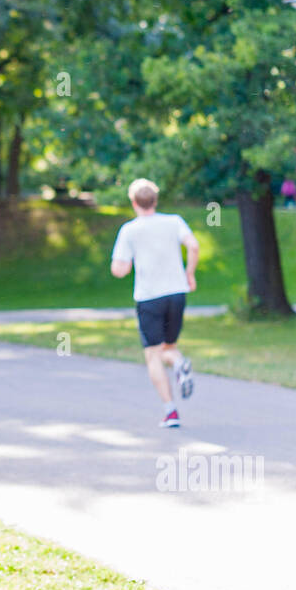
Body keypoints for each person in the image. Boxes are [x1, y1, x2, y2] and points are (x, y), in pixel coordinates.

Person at [110, 178, 200, 428]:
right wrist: (189, 273)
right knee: (169, 347)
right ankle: (180, 363)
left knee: (153, 355)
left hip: (149, 297)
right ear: (156, 200)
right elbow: (193, 245)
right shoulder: (174, 222)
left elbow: (120, 268)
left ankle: (170, 411)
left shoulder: (130, 230)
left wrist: (122, 267)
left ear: (133, 202)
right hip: (177, 293)